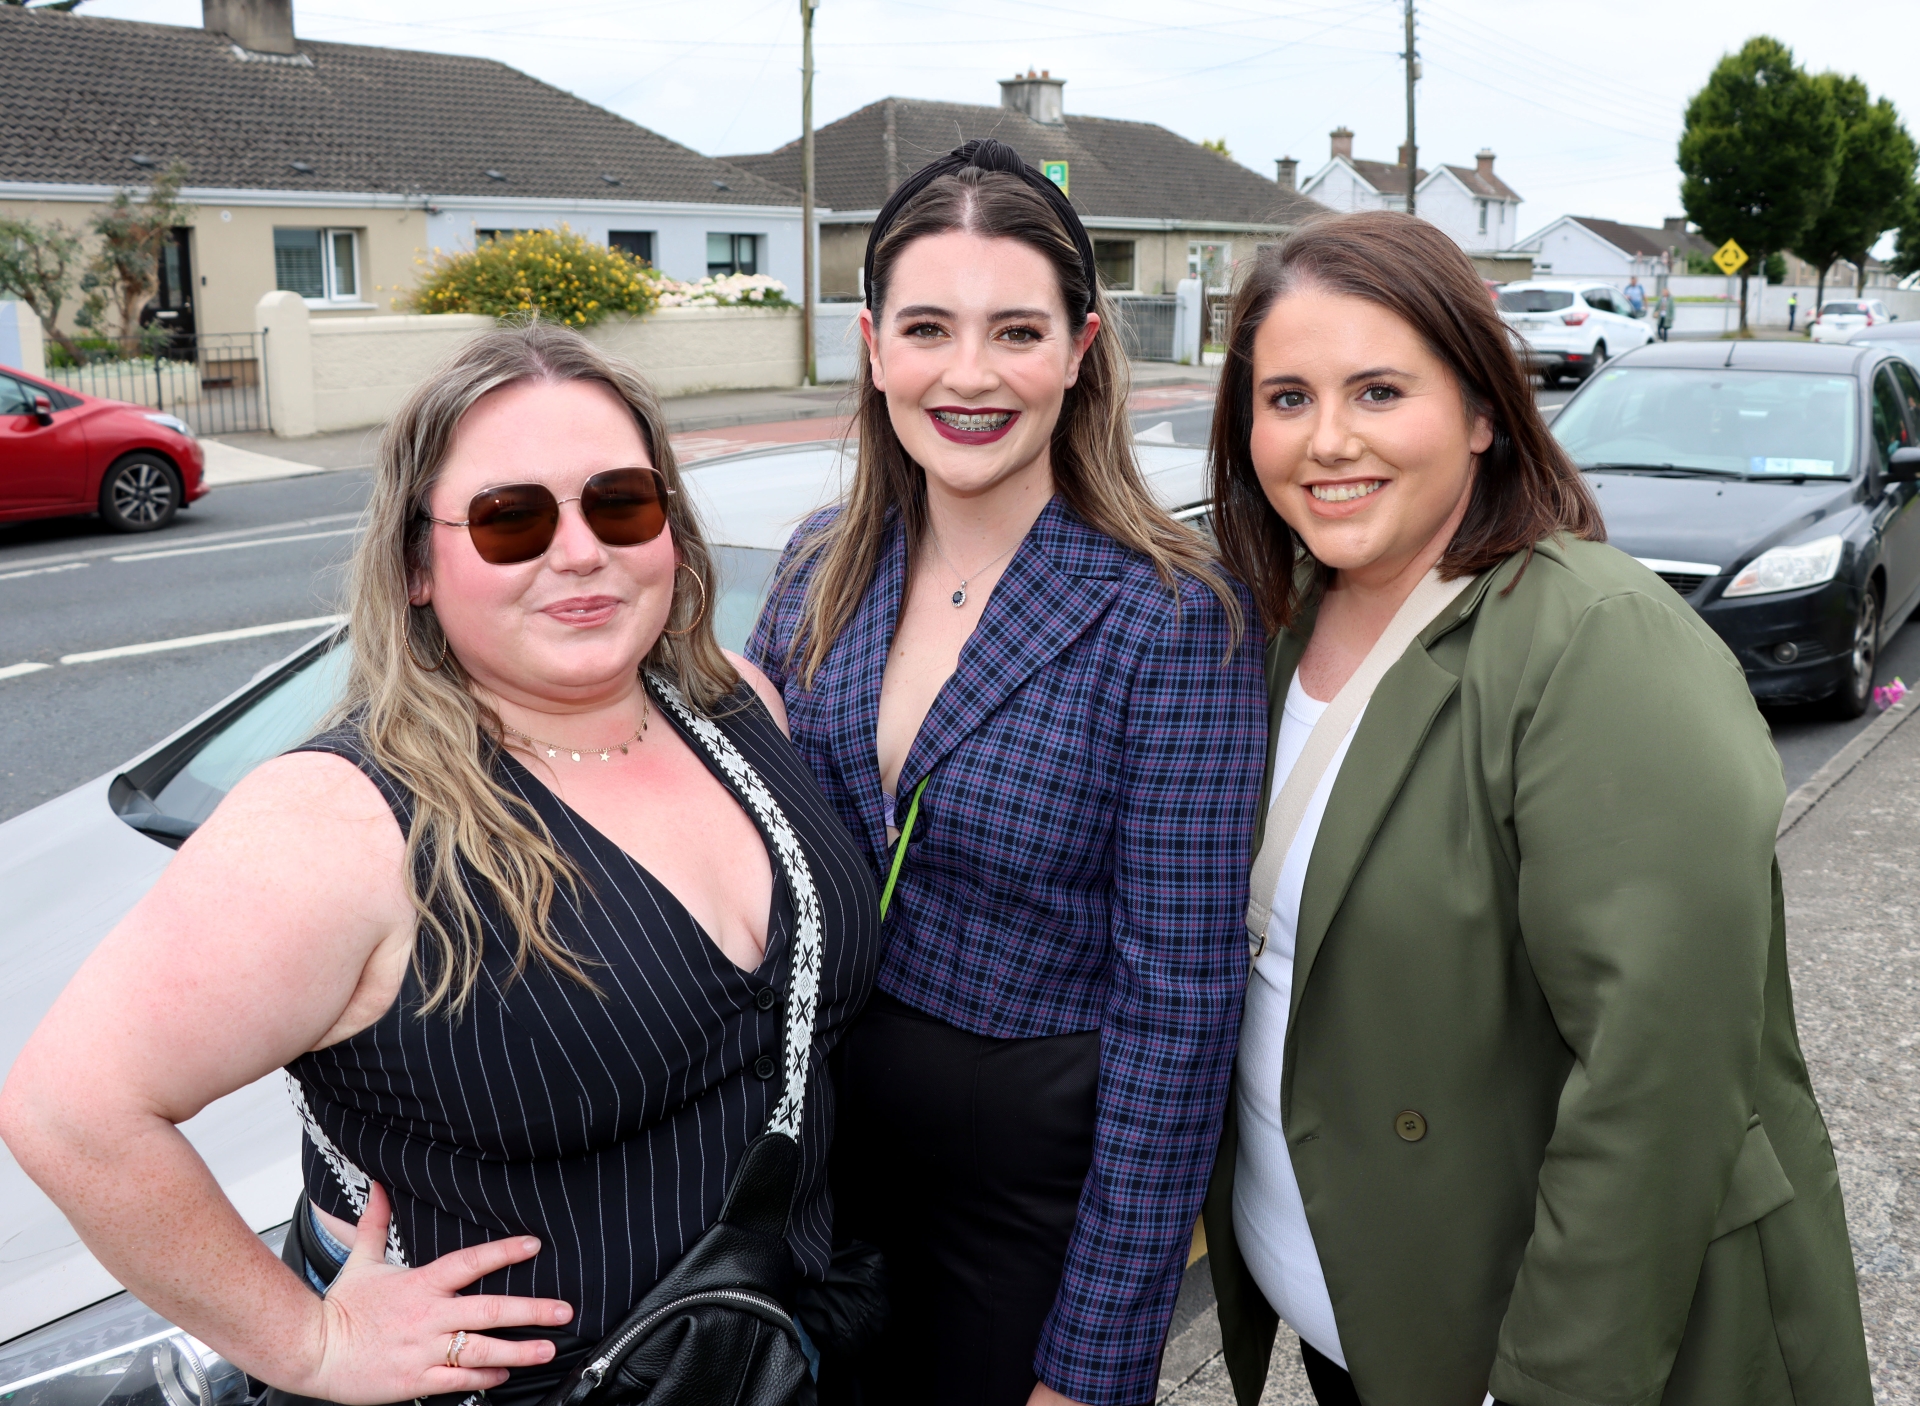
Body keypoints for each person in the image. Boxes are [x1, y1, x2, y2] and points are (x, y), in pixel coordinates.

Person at [0, 325, 880, 1406]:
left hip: (776, 1351)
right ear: (418, 563)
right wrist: (311, 1344)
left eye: (621, 502)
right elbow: (69, 1111)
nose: (580, 550)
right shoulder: (343, 822)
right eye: (512, 517)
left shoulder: (739, 706)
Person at [1200, 211, 1871, 1406]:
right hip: (1358, 1326)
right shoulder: (1271, 621)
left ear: (1482, 412)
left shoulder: (1593, 639)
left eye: (1380, 390)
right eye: (1287, 397)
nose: (1328, 438)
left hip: (1563, 1350)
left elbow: (1656, 1077)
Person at [748, 139, 1267, 1406]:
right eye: (928, 326)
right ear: (874, 347)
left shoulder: (1170, 615)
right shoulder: (823, 563)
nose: (968, 374)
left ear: (1081, 348)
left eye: (1015, 331)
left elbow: (1180, 1017)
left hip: (1021, 1213)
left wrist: (1092, 1360)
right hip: (815, 1177)